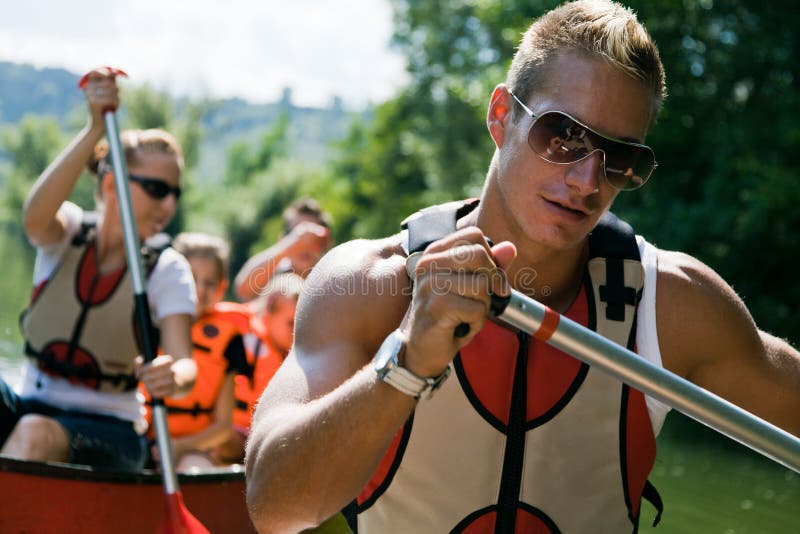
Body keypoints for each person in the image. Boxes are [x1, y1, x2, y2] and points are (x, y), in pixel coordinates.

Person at [243, 1, 800, 532]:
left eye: (620, 157)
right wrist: (408, 360)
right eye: (565, 136)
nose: (586, 180)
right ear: (501, 115)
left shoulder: (670, 304)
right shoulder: (370, 283)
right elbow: (272, 505)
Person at [0, 67, 197, 471]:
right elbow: (34, 217)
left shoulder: (167, 269)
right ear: (112, 185)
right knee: (33, 426)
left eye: (174, 193)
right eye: (157, 190)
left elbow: (185, 363)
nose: (169, 206)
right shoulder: (66, 232)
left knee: (35, 433)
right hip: (30, 403)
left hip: (113, 431)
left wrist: (172, 376)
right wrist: (94, 128)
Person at [142, 232, 251, 470]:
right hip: (143, 442)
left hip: (193, 449)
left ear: (222, 288)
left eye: (209, 282)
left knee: (194, 469)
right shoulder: (146, 324)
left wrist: (179, 446)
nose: (199, 290)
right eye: (191, 279)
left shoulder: (228, 339)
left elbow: (223, 427)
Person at [215, 273, 303, 464]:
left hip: (251, 440)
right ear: (270, 309)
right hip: (226, 432)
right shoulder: (239, 333)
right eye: (290, 323)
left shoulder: (295, 356)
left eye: (300, 324)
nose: (296, 332)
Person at [234, 197, 331, 302]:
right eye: (295, 235)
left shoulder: (332, 278)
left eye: (311, 237)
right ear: (283, 239)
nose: (303, 244)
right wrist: (289, 246)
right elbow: (243, 290)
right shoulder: (273, 274)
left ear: (326, 241)